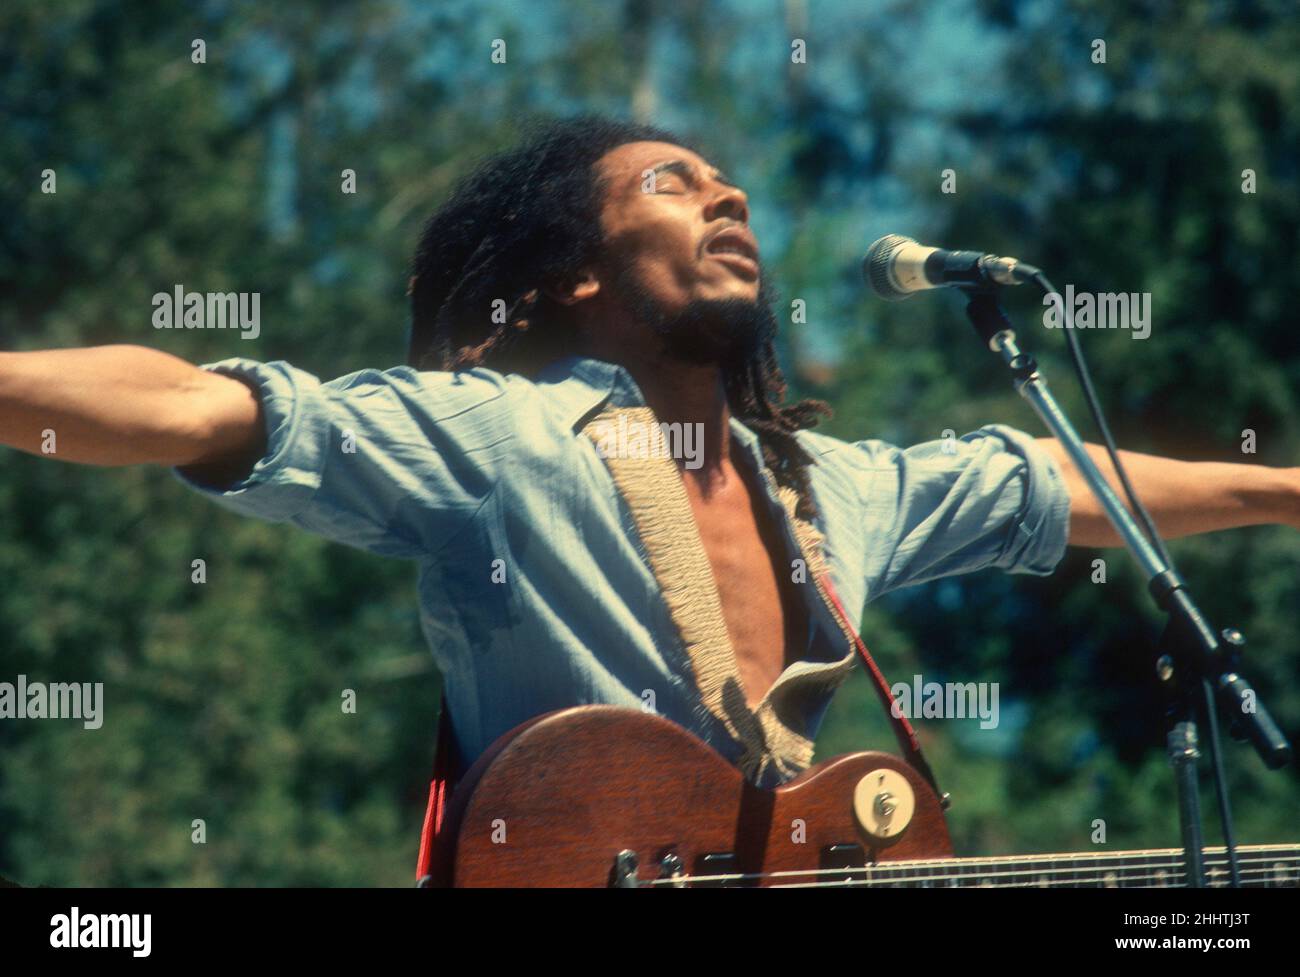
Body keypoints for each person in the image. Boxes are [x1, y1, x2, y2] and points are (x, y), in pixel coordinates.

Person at [2, 115, 1296, 789]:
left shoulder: (830, 487)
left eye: (732, 187)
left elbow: (1056, 483)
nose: (730, 196)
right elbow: (194, 402)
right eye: (675, 183)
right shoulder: (491, 434)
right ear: (571, 277)